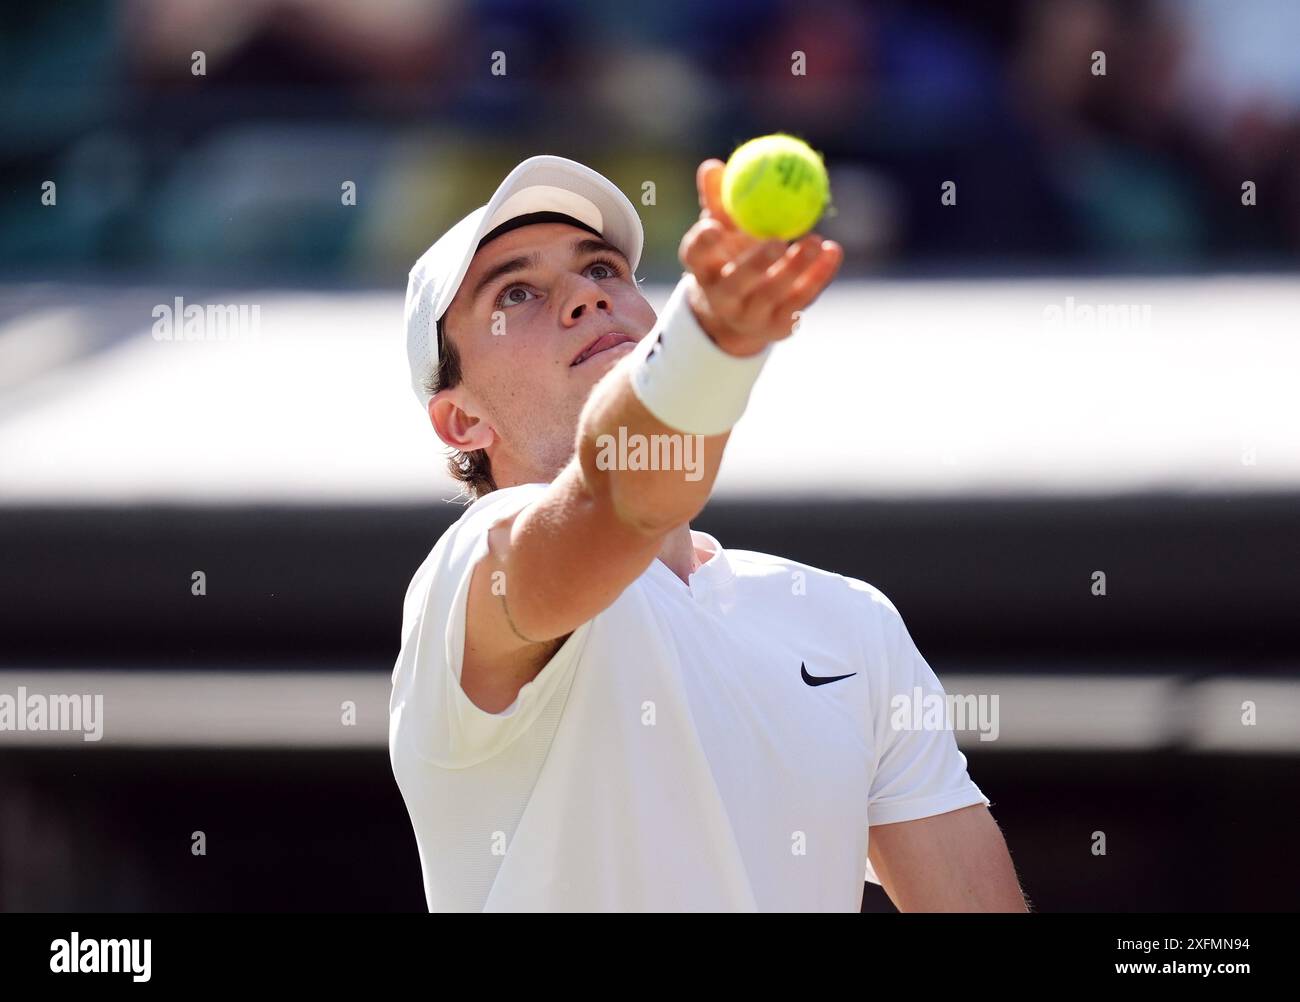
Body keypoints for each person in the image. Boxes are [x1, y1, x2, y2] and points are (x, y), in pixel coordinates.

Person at [389, 154, 1026, 912]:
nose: (586, 298)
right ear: (462, 420)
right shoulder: (473, 567)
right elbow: (621, 502)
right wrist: (711, 340)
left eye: (603, 270)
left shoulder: (852, 620)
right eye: (517, 292)